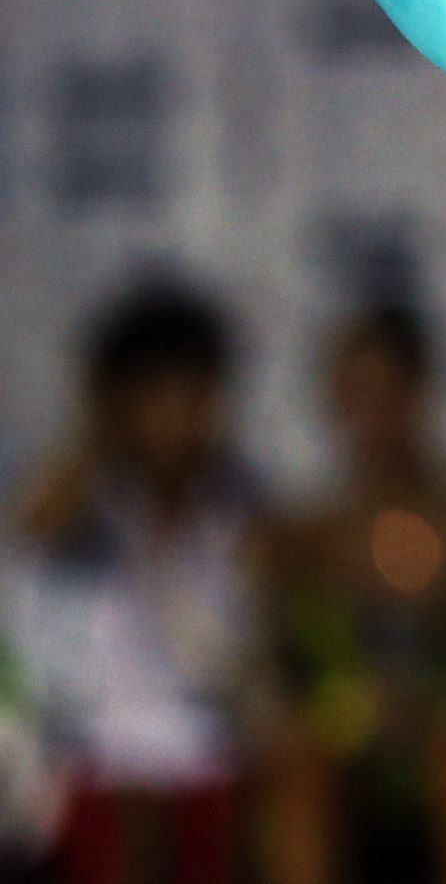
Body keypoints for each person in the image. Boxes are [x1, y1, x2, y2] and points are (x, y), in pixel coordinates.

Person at [258, 302, 446, 884]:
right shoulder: (298, 540)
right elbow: (262, 680)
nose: (375, 418)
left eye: (390, 396)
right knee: (301, 770)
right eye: (357, 397)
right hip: (335, 750)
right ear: (334, 402)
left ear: (421, 394)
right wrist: (341, 711)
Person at [3, 282, 260, 884]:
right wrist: (101, 430)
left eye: (197, 399)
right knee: (138, 805)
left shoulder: (235, 503)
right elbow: (35, 521)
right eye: (160, 399)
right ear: (119, 404)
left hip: (205, 757)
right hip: (92, 759)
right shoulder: (84, 499)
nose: (181, 421)